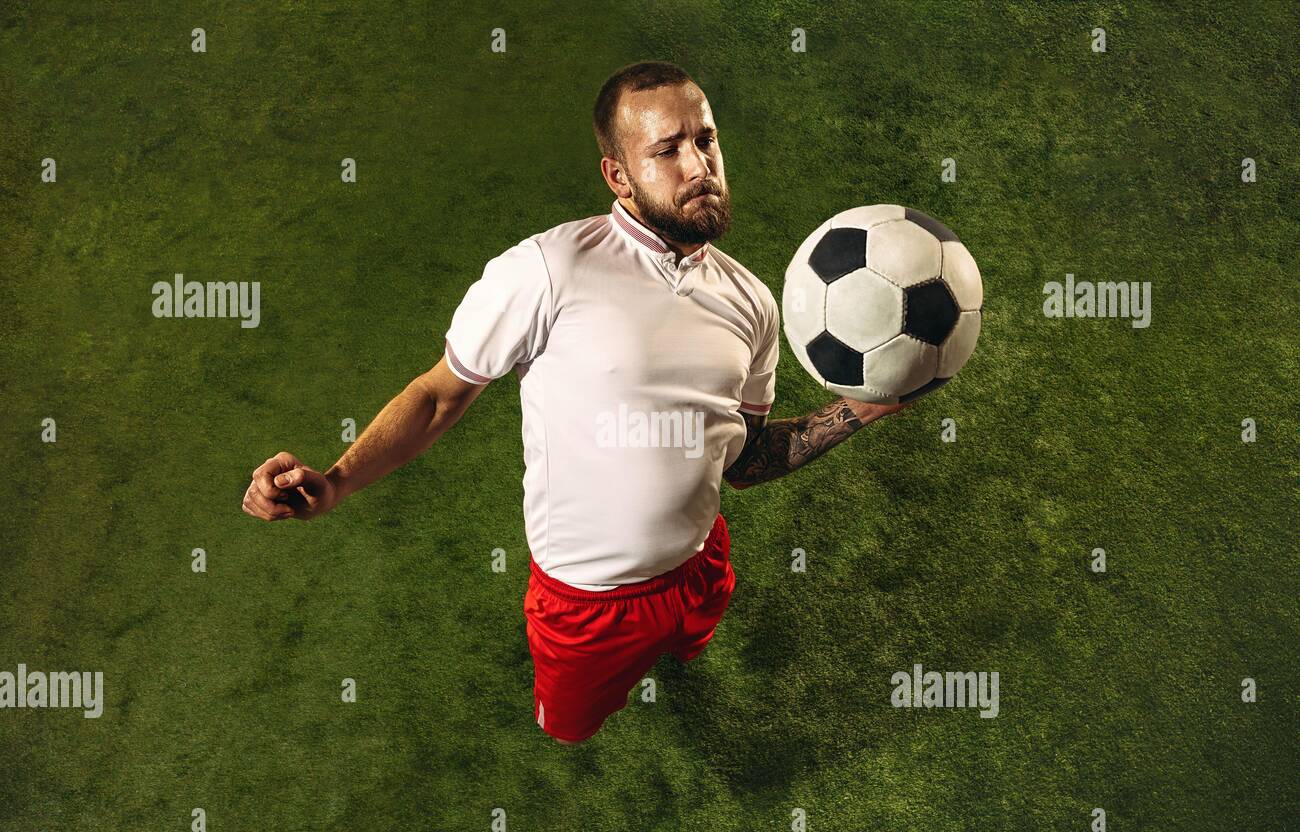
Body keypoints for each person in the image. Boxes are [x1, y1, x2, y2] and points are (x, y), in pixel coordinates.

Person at [241, 61, 914, 744]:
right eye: (667, 150)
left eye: (705, 140)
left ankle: (684, 645)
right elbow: (438, 397)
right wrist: (337, 481)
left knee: (693, 641)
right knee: (570, 728)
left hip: (701, 563)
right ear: (618, 177)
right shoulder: (546, 272)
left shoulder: (752, 302)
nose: (698, 165)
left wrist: (866, 407)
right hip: (587, 605)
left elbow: (746, 460)